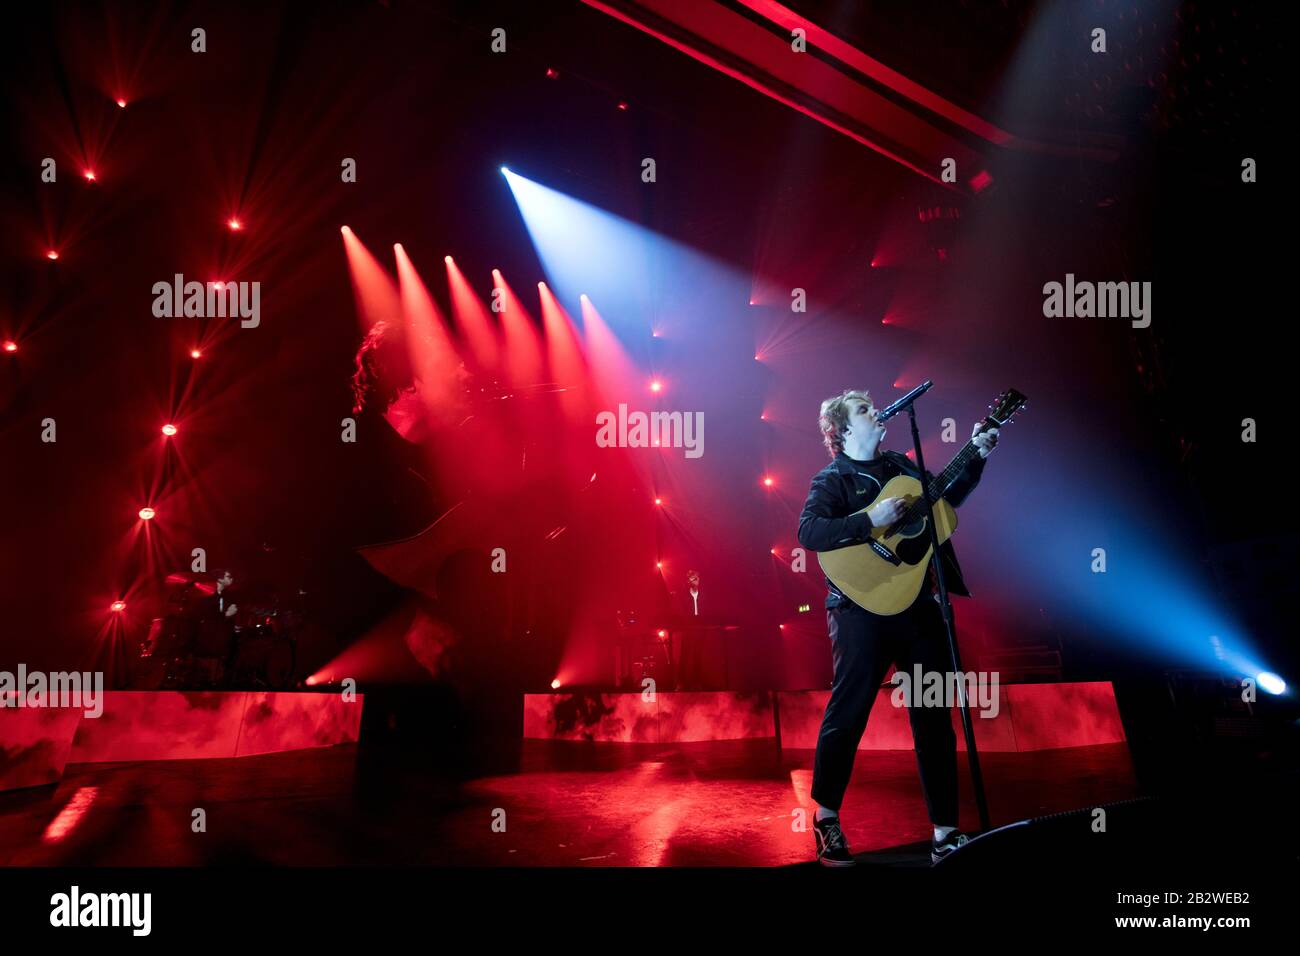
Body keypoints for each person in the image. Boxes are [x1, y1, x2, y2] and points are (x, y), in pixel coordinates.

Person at [796, 389, 998, 867]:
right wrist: (868, 519)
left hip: (918, 604)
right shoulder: (832, 479)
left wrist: (974, 457)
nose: (876, 409)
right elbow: (808, 532)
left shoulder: (903, 469)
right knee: (849, 714)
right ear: (844, 430)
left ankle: (945, 832)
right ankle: (826, 818)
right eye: (864, 409)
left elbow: (945, 501)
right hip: (858, 609)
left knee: (933, 716)